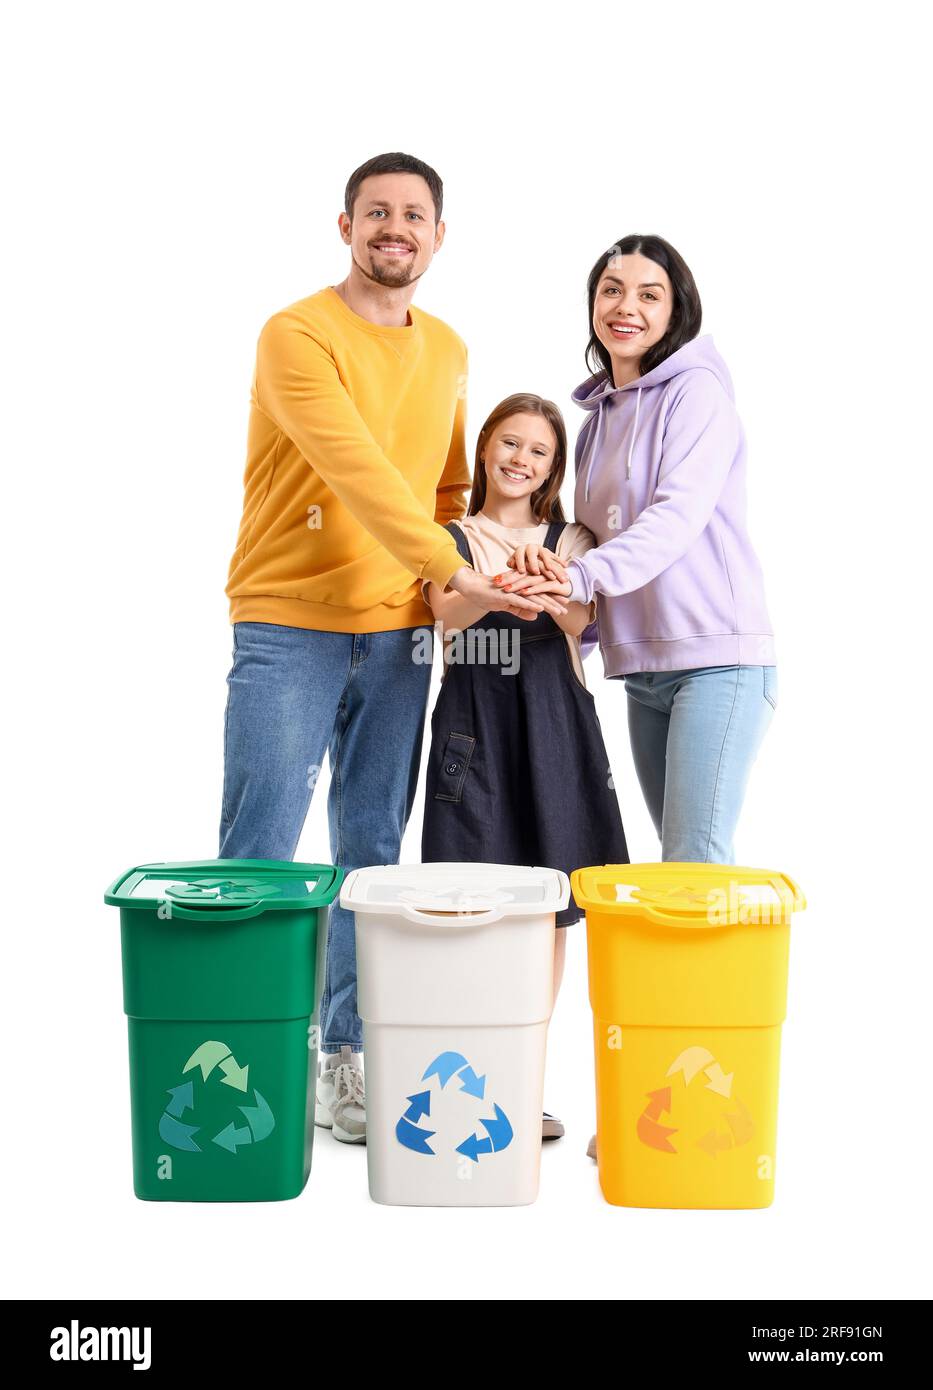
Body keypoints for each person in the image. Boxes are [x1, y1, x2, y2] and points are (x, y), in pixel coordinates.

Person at [220, 153, 542, 1146]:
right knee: (263, 853)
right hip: (288, 621)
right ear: (345, 226)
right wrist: (455, 571)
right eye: (376, 213)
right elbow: (357, 470)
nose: (394, 228)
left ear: (438, 236)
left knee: (369, 854)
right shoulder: (297, 334)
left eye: (414, 215)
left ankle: (341, 1058)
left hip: (399, 633)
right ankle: (244, 1065)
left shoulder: (446, 347)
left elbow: (445, 493)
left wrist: (468, 578)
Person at [503, 235, 777, 868]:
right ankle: (685, 975)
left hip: (717, 660)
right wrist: (560, 607)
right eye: (611, 290)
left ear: (675, 308)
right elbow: (598, 544)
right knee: (676, 867)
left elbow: (674, 519)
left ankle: (726, 974)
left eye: (649, 294)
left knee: (694, 862)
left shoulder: (698, 395)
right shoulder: (596, 423)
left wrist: (574, 578)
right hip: (643, 670)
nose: (627, 307)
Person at [421, 393, 629, 1140]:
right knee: (468, 902)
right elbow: (444, 614)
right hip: (472, 732)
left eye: (538, 451)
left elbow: (581, 620)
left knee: (550, 906)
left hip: (555, 727)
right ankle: (469, 1086)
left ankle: (525, 1083)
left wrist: (549, 582)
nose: (520, 460)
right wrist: (495, 585)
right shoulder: (449, 533)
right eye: (509, 443)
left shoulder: (570, 536)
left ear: (553, 467)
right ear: (484, 449)